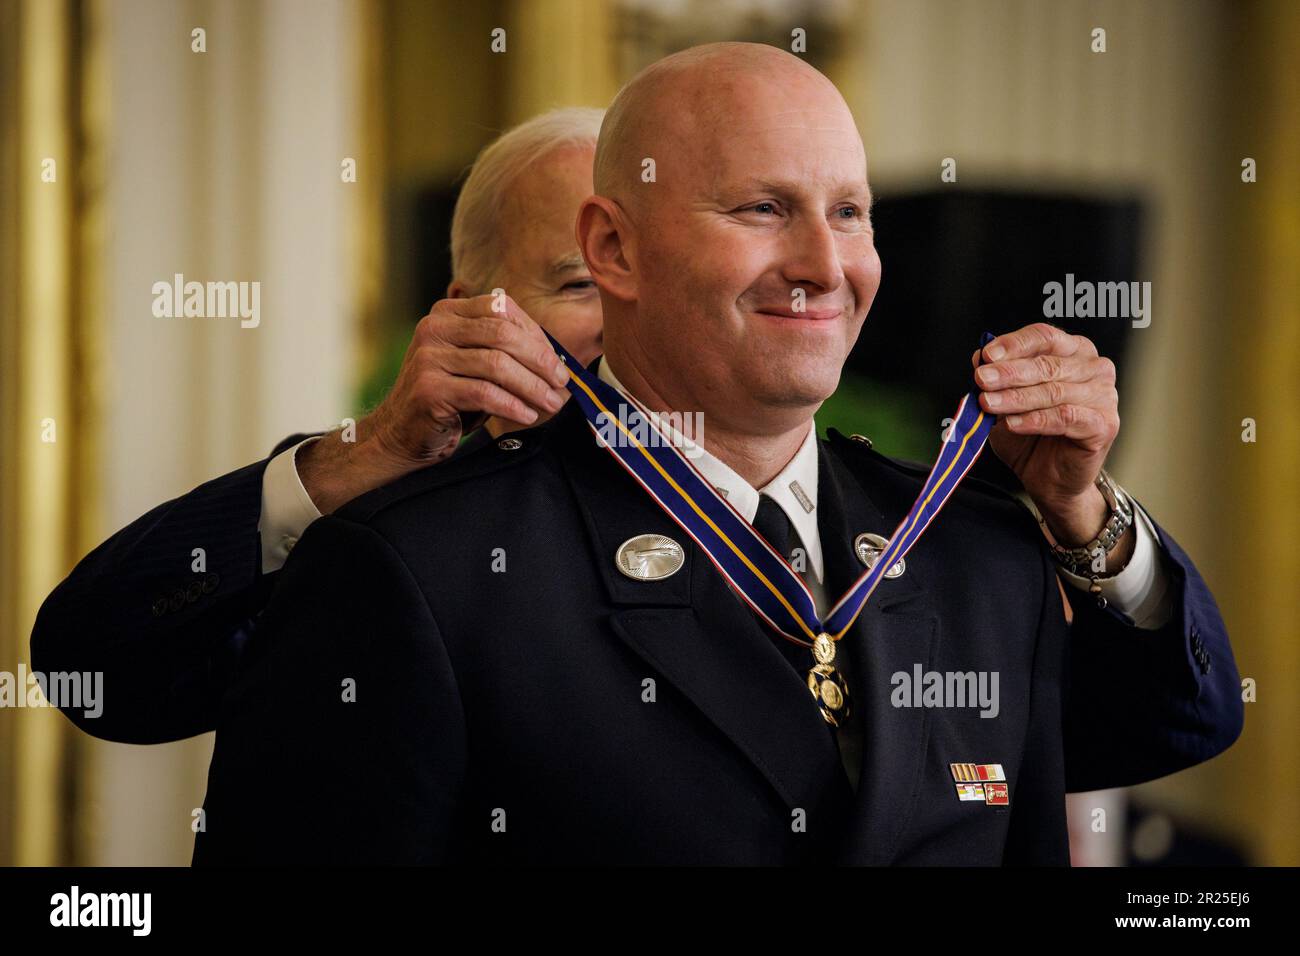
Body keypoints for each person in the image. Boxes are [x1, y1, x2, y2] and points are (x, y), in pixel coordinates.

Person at [191, 43, 1242, 866]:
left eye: (848, 212)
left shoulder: (972, 547)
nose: (824, 265)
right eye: (761, 209)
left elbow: (1172, 723)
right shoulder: (418, 567)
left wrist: (1086, 517)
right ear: (613, 248)